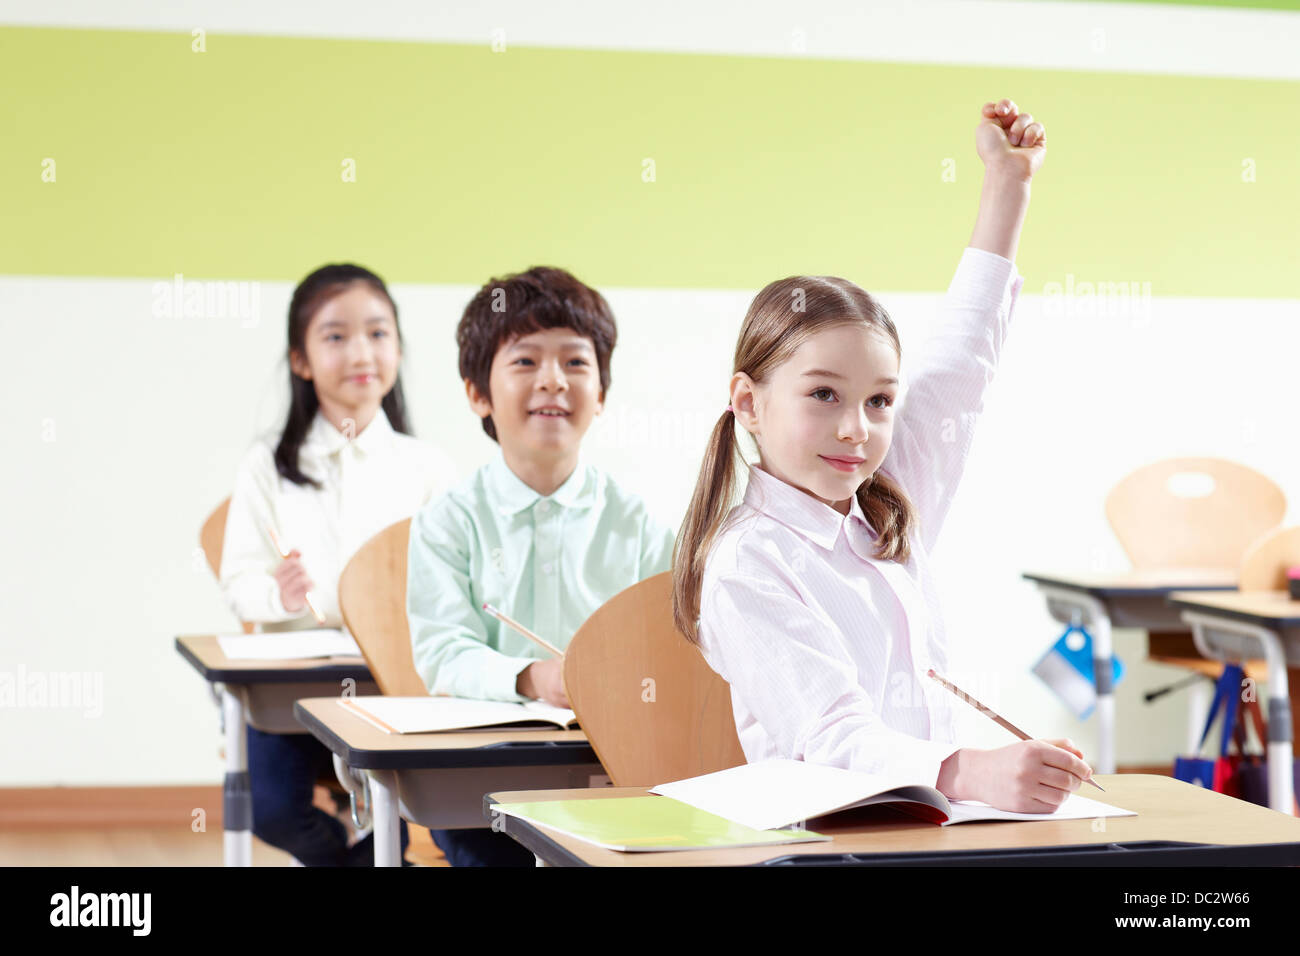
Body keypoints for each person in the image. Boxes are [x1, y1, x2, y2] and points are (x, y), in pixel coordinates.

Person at [672, 99, 1094, 814]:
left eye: (879, 402)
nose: (856, 430)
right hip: (831, 842)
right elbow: (832, 738)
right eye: (824, 396)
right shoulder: (745, 564)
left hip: (941, 830)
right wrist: (971, 771)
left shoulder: (883, 501)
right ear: (748, 402)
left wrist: (1008, 186)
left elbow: (962, 365)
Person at [407, 266, 674, 865]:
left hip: (612, 766)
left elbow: (673, 641)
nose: (553, 380)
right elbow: (444, 654)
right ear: (478, 392)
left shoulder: (641, 524)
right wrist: (532, 677)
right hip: (483, 776)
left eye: (576, 363)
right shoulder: (448, 521)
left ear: (601, 393)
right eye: (525, 362)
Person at [220, 263, 454, 864]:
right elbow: (238, 583)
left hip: (387, 685)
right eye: (335, 335)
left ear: (398, 348)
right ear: (300, 360)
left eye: (378, 333)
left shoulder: (425, 467)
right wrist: (280, 596)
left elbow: (453, 584)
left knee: (388, 824)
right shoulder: (267, 466)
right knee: (268, 808)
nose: (361, 351)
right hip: (290, 686)